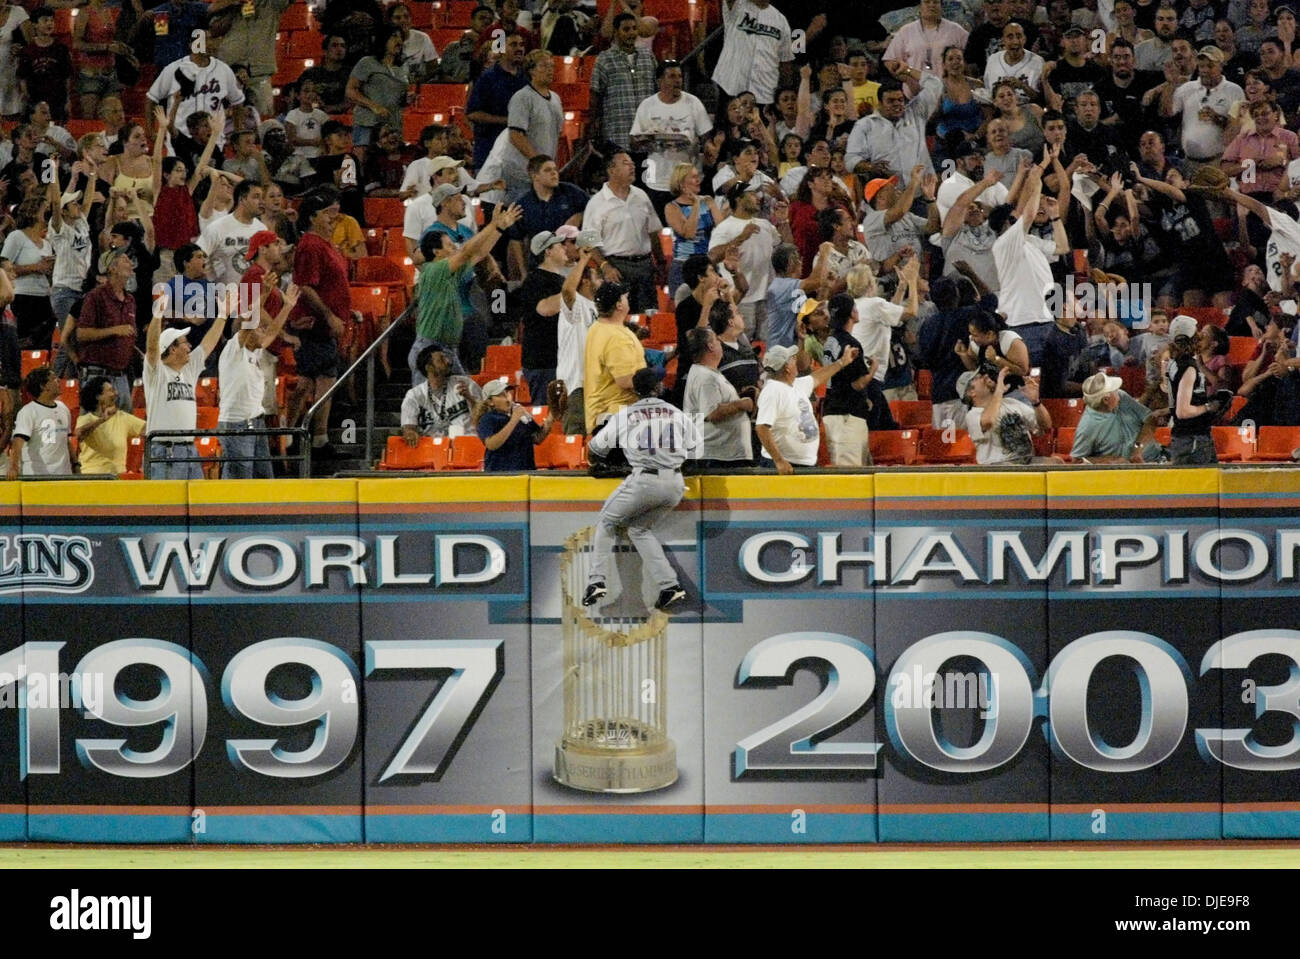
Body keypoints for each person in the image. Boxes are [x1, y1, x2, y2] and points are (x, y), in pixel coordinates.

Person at [583, 367, 700, 613]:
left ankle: (596, 581)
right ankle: (670, 587)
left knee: (606, 522)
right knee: (638, 529)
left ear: (636, 391)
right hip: (675, 484)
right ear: (658, 387)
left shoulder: (626, 414)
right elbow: (695, 452)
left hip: (644, 480)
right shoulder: (677, 413)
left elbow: (595, 449)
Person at [410, 201, 523, 384]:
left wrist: (499, 229)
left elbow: (478, 254)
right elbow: (466, 251)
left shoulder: (451, 272)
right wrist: (492, 224)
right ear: (436, 251)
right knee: (426, 404)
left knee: (466, 397)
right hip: (429, 350)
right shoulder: (433, 271)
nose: (454, 247)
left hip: (447, 349)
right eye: (449, 245)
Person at [218, 255, 299, 480]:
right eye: (259, 329)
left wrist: (287, 307)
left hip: (256, 422)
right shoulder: (235, 348)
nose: (263, 331)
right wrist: (263, 293)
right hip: (236, 425)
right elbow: (250, 322)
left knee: (264, 479)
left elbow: (272, 331)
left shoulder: (255, 350)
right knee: (239, 482)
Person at [286, 188, 351, 460]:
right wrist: (329, 315)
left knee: (323, 377)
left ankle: (309, 437)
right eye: (326, 214)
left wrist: (348, 311)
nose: (332, 219)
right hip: (313, 325)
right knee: (317, 378)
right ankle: (299, 437)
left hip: (326, 325)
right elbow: (306, 286)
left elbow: (332, 284)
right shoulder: (311, 245)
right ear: (312, 217)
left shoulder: (326, 244)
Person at [143, 288, 229, 480]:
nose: (190, 346)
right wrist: (158, 315)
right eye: (184, 343)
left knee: (196, 506)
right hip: (165, 451)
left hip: (190, 448)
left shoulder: (188, 369)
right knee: (167, 506)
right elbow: (151, 346)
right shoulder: (157, 372)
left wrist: (222, 316)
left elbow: (207, 345)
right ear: (172, 349)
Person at [755, 342, 857, 474]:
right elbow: (762, 427)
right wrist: (779, 461)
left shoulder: (794, 385)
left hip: (802, 464)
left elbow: (817, 377)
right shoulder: (773, 391)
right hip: (784, 465)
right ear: (787, 367)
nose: (795, 360)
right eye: (792, 359)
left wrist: (842, 362)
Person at [583, 151, 664, 313]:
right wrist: (605, 266)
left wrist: (660, 261)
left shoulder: (641, 196)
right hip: (616, 267)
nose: (632, 166)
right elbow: (588, 241)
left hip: (644, 265)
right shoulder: (597, 203)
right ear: (611, 170)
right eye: (626, 163)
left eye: (632, 163)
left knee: (649, 315)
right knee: (619, 315)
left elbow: (653, 232)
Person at [1165, 313, 1232, 462]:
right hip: (1192, 440)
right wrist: (1209, 407)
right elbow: (1183, 411)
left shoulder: (1174, 364)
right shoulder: (1188, 367)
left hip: (1187, 436)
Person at [683, 325, 753, 468]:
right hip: (717, 456)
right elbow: (713, 413)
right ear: (710, 347)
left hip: (722, 454)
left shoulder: (708, 373)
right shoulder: (705, 377)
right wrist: (742, 404)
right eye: (716, 340)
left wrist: (738, 397)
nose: (720, 342)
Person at [75, 247, 137, 408]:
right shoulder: (95, 296)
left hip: (122, 375)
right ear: (112, 268)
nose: (131, 264)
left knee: (123, 428)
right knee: (95, 425)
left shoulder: (130, 299)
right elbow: (81, 333)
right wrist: (114, 330)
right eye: (125, 260)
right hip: (98, 375)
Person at [589, 12, 658, 150]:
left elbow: (658, 91)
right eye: (626, 29)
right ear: (616, 32)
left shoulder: (648, 56)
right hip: (618, 134)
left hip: (647, 136)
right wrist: (593, 125)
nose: (632, 33)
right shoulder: (604, 59)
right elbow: (595, 96)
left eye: (634, 28)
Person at [583, 281, 645, 432]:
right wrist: (652, 379)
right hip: (617, 419)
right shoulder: (616, 337)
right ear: (618, 305)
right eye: (624, 297)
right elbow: (624, 380)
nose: (627, 299)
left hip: (602, 415)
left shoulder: (597, 328)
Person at [958, 366, 1052, 465]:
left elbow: (1046, 425)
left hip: (1026, 461)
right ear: (971, 392)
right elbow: (988, 421)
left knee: (1056, 462)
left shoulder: (1011, 402)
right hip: (997, 465)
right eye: (978, 378)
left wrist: (1036, 402)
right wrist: (999, 390)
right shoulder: (972, 415)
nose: (985, 376)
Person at [346, 26, 409, 165]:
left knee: (387, 164)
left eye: (400, 37)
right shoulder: (367, 63)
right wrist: (373, 106)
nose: (398, 41)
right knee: (360, 162)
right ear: (383, 40)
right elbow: (350, 91)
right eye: (393, 36)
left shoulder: (401, 70)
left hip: (392, 126)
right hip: (367, 123)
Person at [519, 230, 570, 404]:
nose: (564, 248)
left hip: (559, 357)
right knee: (549, 415)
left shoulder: (559, 280)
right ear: (547, 252)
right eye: (559, 245)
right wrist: (573, 289)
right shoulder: (535, 280)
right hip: (543, 362)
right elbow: (545, 308)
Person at [1070, 371, 1163, 462]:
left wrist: (1137, 448)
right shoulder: (1086, 427)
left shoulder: (1122, 397)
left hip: (1155, 459)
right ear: (1106, 400)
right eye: (1115, 391)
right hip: (1120, 473)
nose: (1118, 391)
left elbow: (1151, 418)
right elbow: (1077, 460)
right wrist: (1110, 460)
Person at [402, 345, 482, 445]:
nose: (448, 361)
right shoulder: (414, 395)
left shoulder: (465, 383)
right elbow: (408, 427)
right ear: (428, 367)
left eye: (446, 357)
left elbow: (484, 416)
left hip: (467, 446)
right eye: (441, 359)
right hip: (433, 449)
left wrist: (470, 398)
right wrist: (410, 433)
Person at [473, 378, 554, 470]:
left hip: (525, 472)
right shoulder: (487, 419)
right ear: (490, 402)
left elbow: (537, 438)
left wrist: (551, 417)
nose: (507, 398)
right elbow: (491, 444)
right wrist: (514, 419)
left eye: (507, 393)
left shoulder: (522, 415)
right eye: (501, 395)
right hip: (500, 474)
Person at [8, 365, 72, 478]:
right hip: (38, 475)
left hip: (63, 475)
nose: (58, 381)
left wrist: (76, 464)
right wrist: (13, 467)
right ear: (43, 386)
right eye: (53, 379)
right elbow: (18, 442)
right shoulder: (28, 411)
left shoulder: (63, 408)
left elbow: (66, 440)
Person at [75, 374, 145, 474]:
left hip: (117, 478)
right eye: (111, 390)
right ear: (98, 396)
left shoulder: (122, 417)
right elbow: (79, 434)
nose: (116, 393)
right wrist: (102, 420)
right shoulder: (85, 419)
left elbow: (147, 429)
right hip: (91, 477)